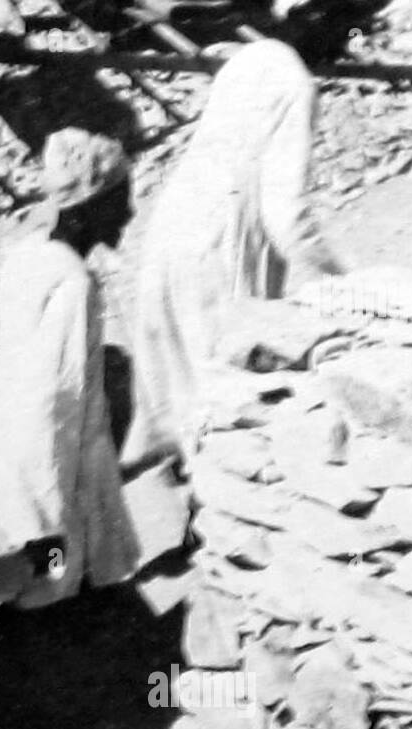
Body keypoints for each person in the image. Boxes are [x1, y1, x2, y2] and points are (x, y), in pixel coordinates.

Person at [123, 39, 347, 470]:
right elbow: (287, 217)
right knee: (224, 393)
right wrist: (343, 283)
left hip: (172, 226)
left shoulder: (249, 61)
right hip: (220, 245)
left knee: (176, 385)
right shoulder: (294, 83)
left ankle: (181, 490)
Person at [0, 127, 141, 609]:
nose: (129, 213)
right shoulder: (73, 283)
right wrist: (50, 498)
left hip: (7, 445)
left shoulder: (29, 254)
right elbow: (55, 400)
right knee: (50, 588)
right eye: (119, 200)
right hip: (38, 455)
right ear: (87, 207)